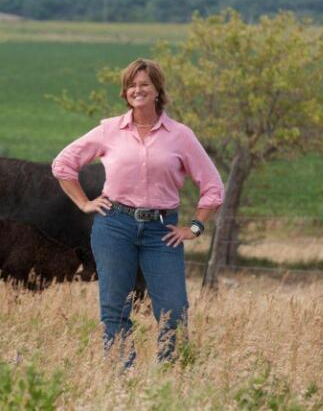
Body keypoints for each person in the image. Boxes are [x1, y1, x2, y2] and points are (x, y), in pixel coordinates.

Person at [51, 58, 224, 366]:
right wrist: (84, 203)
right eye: (131, 85)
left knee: (174, 309)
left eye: (144, 84)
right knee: (115, 308)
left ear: (158, 90)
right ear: (124, 92)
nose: (137, 90)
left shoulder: (180, 135)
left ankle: (170, 379)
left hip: (163, 232)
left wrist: (195, 227)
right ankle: (123, 380)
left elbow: (212, 186)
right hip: (114, 226)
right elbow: (63, 164)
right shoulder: (108, 130)